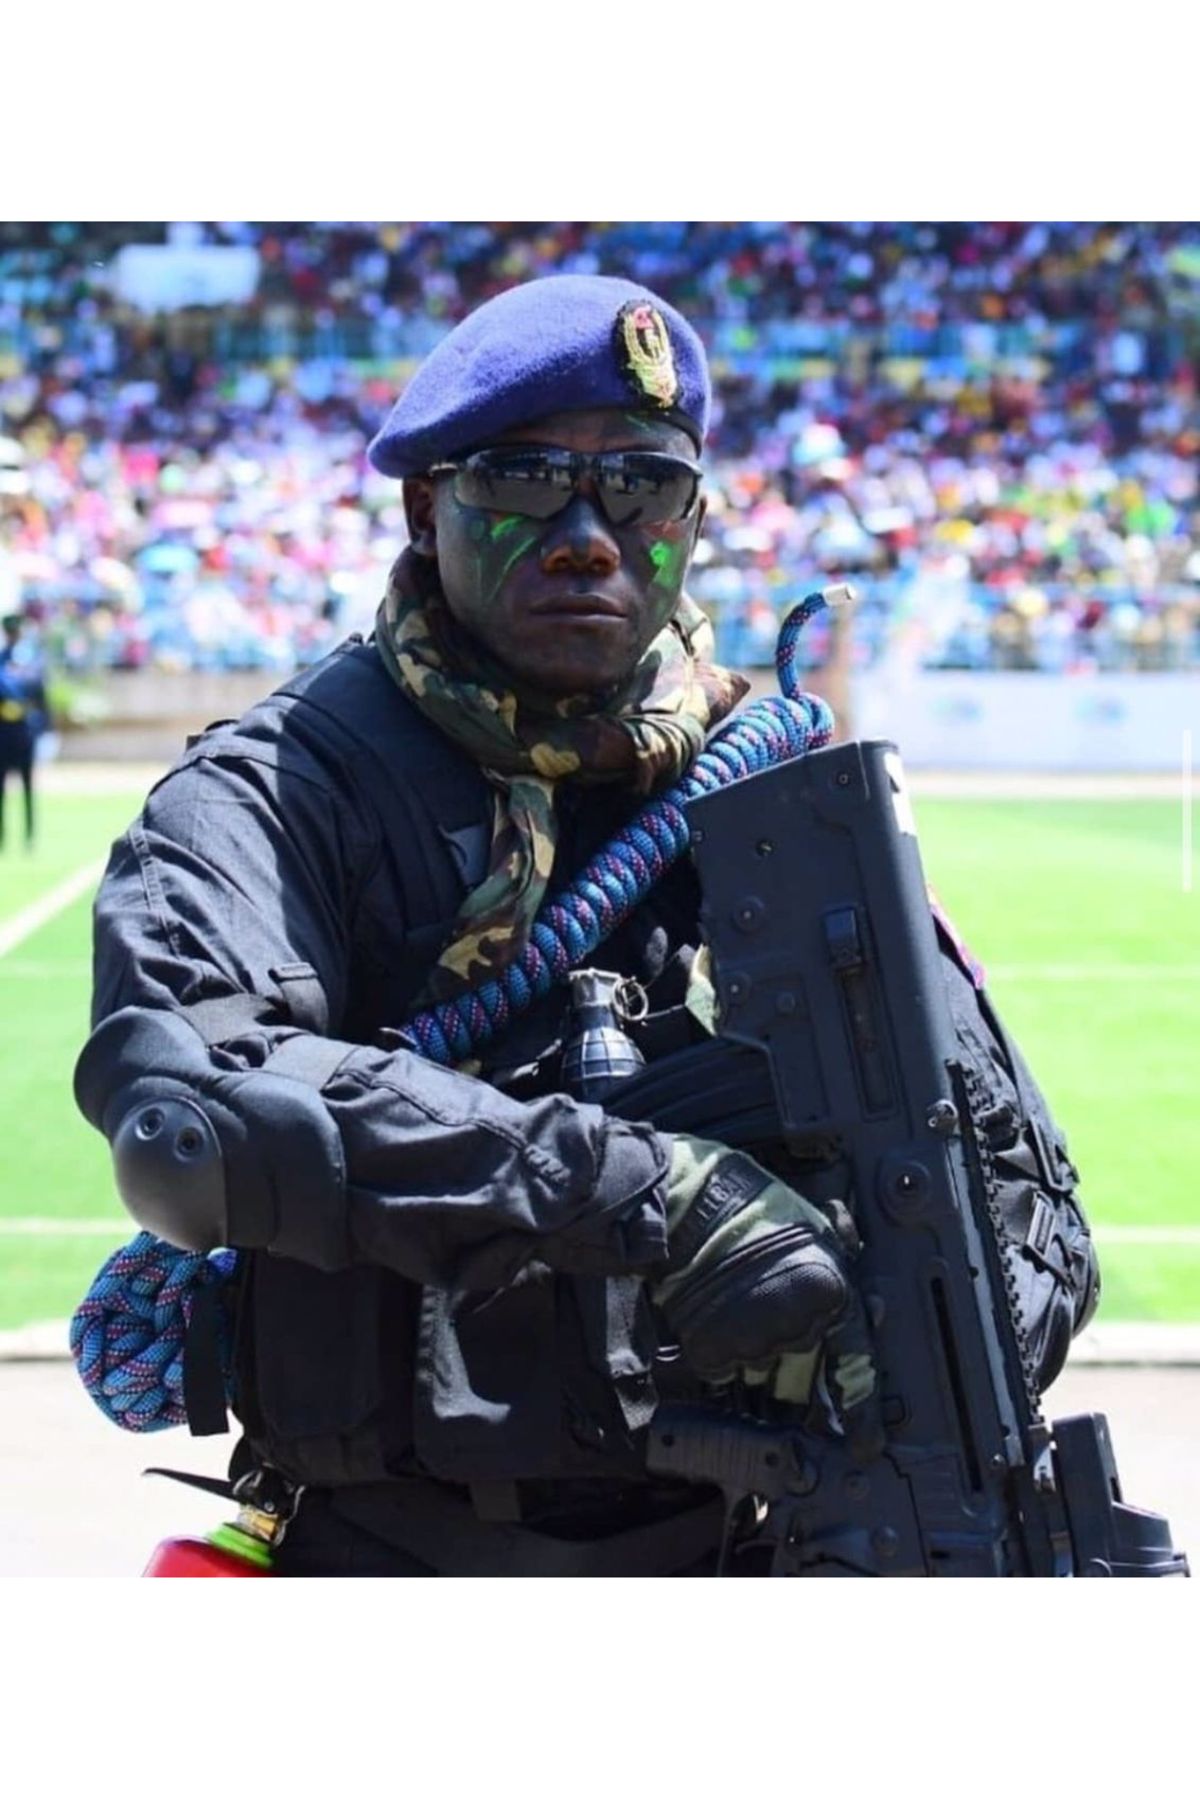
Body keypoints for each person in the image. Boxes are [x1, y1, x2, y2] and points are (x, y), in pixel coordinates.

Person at [73, 276, 1096, 1576]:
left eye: (642, 487)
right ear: (425, 505)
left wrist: (978, 1308)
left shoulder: (775, 785)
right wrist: (645, 1196)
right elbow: (194, 1093)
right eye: (522, 478)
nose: (587, 535)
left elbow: (995, 1148)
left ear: (695, 518)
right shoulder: (284, 786)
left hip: (764, 1543)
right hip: (390, 1553)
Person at [0, 613, 47, 851]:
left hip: (25, 731)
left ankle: (29, 835)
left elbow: (40, 696)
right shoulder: (1, 660)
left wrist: (45, 728)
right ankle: (2, 836)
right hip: (3, 731)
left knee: (28, 786)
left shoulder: (31, 660)